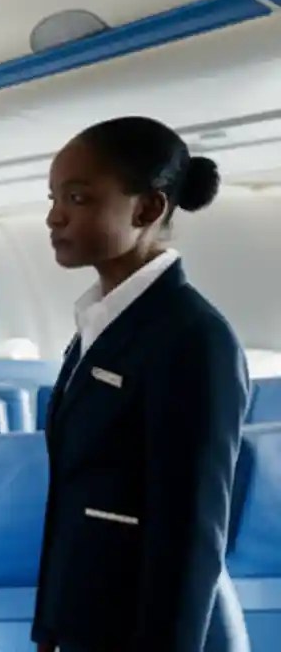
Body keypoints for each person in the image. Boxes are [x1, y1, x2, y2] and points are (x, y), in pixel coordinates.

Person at [33, 116, 250, 652]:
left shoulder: (193, 338)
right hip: (78, 624)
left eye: (78, 199)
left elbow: (191, 534)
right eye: (53, 197)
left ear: (148, 208)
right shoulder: (101, 324)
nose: (53, 217)